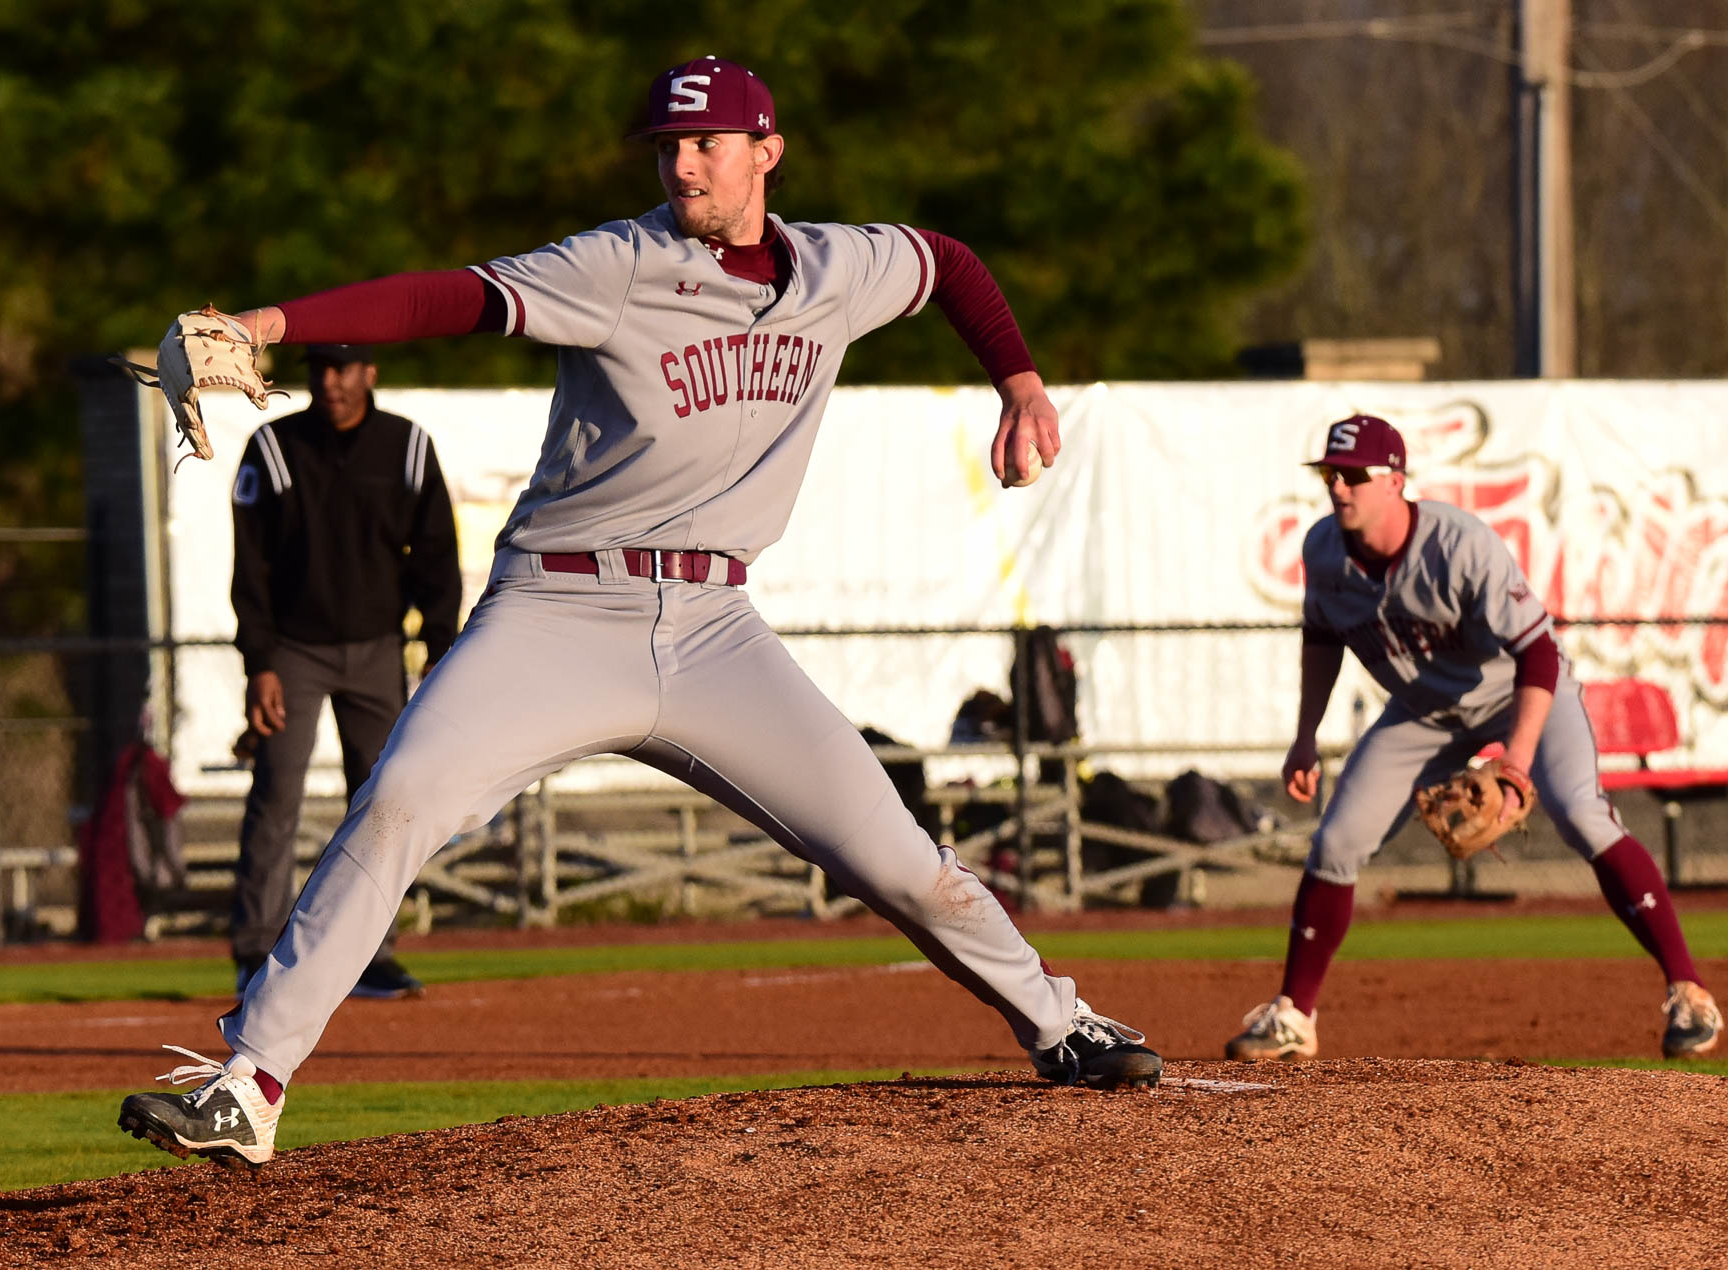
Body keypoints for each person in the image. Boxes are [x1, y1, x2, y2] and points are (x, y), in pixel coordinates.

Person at [118, 56, 1161, 1167]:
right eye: (667, 144)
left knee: (899, 860)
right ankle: (251, 1080)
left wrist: (1019, 378)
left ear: (767, 150)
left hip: (716, 630)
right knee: (401, 799)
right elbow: (455, 296)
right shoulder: (618, 263)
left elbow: (946, 263)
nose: (680, 161)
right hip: (559, 613)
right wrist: (274, 320)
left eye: (705, 141)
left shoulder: (838, 270)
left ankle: (1058, 1023)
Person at [1226, 414, 1724, 1062]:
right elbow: (1321, 639)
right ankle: (1294, 1014)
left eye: (1353, 475)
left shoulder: (1459, 545)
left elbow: (1538, 654)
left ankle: (1690, 993)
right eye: (1330, 474)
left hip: (1518, 693)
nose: (1338, 487)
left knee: (1580, 814)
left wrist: (1516, 763)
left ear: (1396, 481)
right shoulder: (1324, 549)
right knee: (1338, 840)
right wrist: (1304, 736)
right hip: (1425, 711)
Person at [228, 343, 462, 1001]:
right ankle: (256, 951)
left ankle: (371, 954)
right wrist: (260, 663)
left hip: (378, 649)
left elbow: (437, 554)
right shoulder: (273, 449)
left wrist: (439, 643)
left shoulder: (407, 447)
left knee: (383, 802)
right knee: (276, 796)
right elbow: (252, 567)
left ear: (371, 373)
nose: (331, 382)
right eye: (321, 369)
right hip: (293, 652)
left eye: (345, 368)